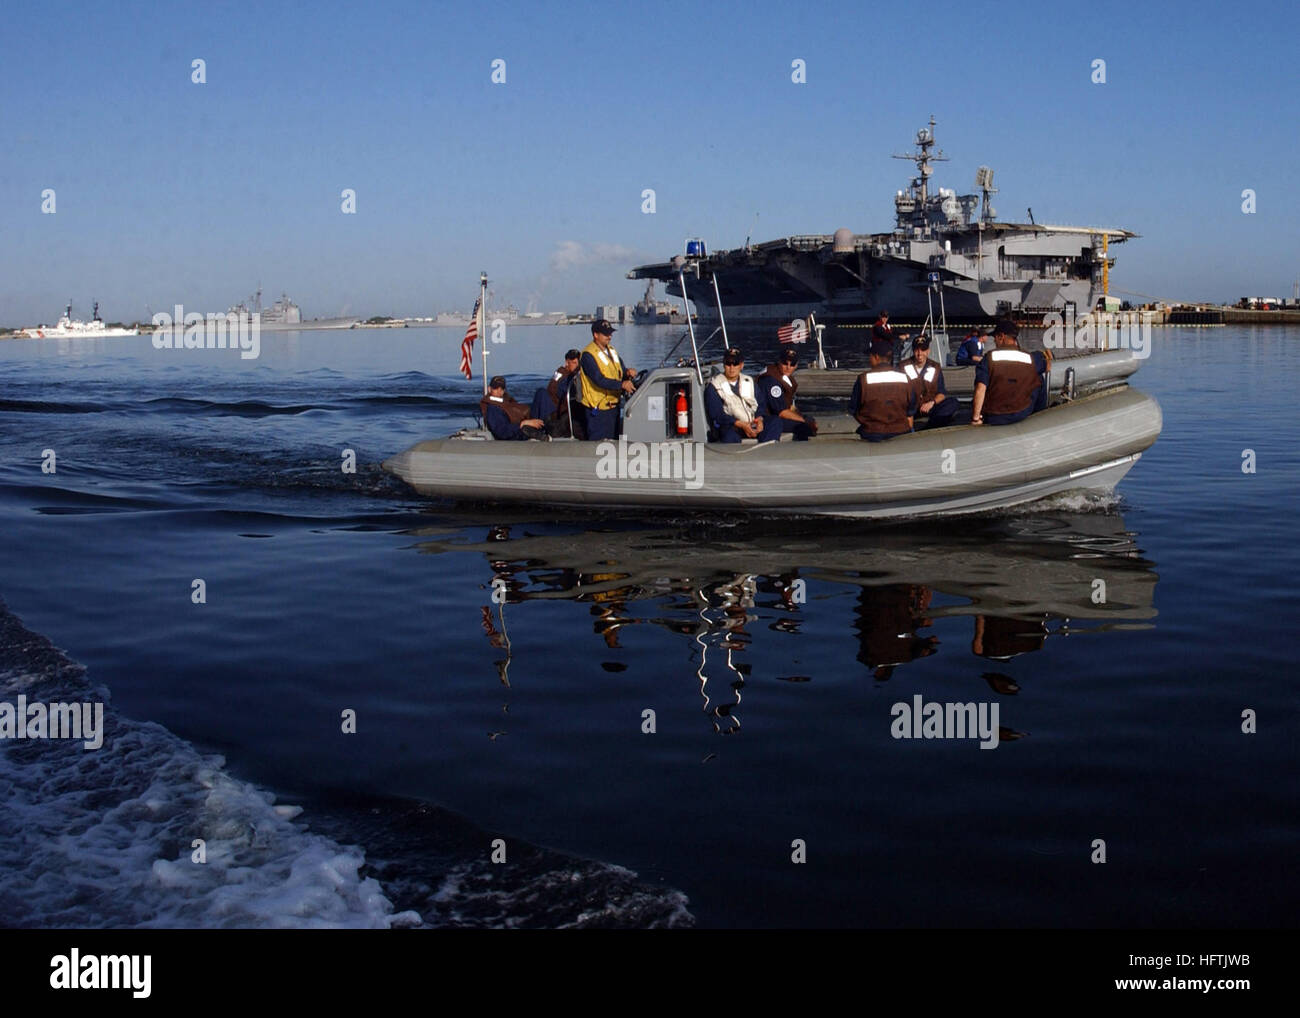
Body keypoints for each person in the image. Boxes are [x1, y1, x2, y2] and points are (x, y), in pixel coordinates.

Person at [970, 319, 1052, 426]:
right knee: (1039, 378)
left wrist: (976, 419)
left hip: (995, 416)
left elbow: (980, 388)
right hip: (1021, 412)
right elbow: (1048, 366)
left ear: (1001, 336)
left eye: (995, 338)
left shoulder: (988, 358)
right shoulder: (1030, 358)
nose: (994, 341)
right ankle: (1040, 416)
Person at [577, 319, 636, 441]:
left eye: (610, 333)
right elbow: (599, 380)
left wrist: (627, 372)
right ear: (595, 335)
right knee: (599, 445)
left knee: (613, 442)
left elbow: (620, 369)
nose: (609, 336)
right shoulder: (588, 355)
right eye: (605, 334)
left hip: (613, 407)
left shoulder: (612, 351)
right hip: (598, 411)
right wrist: (622, 385)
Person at [849, 338, 916, 441]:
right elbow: (911, 409)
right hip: (901, 432)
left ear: (876, 357)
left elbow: (853, 409)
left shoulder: (863, 379)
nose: (869, 359)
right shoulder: (905, 378)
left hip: (872, 433)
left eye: (870, 356)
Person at [756, 348, 817, 442]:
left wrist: (804, 417)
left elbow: (789, 406)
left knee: (808, 420)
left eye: (792, 364)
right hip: (766, 419)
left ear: (796, 365)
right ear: (779, 362)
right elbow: (781, 412)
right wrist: (804, 421)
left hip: (776, 416)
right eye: (785, 363)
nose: (788, 367)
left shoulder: (784, 377)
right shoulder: (771, 381)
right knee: (803, 427)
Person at [704, 347, 764, 442]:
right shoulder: (714, 386)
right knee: (729, 435)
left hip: (753, 422)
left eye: (735, 364)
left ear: (741, 365)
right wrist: (740, 424)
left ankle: (767, 452)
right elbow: (717, 415)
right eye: (728, 364)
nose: (732, 368)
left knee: (775, 422)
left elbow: (761, 404)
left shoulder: (749, 381)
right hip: (732, 426)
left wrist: (759, 419)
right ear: (724, 365)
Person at [901, 334, 960, 429]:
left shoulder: (935, 367)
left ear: (928, 351)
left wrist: (931, 403)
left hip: (929, 406)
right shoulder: (902, 367)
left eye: (923, 350)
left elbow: (941, 393)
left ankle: (929, 427)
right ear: (913, 350)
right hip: (910, 409)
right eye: (917, 350)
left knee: (953, 403)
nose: (920, 354)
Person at [531, 348, 584, 438]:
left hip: (562, 408)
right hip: (555, 409)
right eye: (574, 363)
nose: (577, 365)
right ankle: (542, 427)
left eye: (578, 363)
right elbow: (559, 390)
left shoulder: (574, 375)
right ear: (567, 362)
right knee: (541, 393)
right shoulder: (563, 373)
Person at [480, 375, 547, 440]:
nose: (499, 391)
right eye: (495, 388)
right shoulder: (493, 408)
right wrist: (523, 424)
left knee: (541, 393)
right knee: (526, 429)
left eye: (501, 389)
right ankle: (539, 432)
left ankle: (547, 426)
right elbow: (502, 432)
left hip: (524, 423)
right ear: (489, 389)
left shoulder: (507, 401)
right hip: (515, 432)